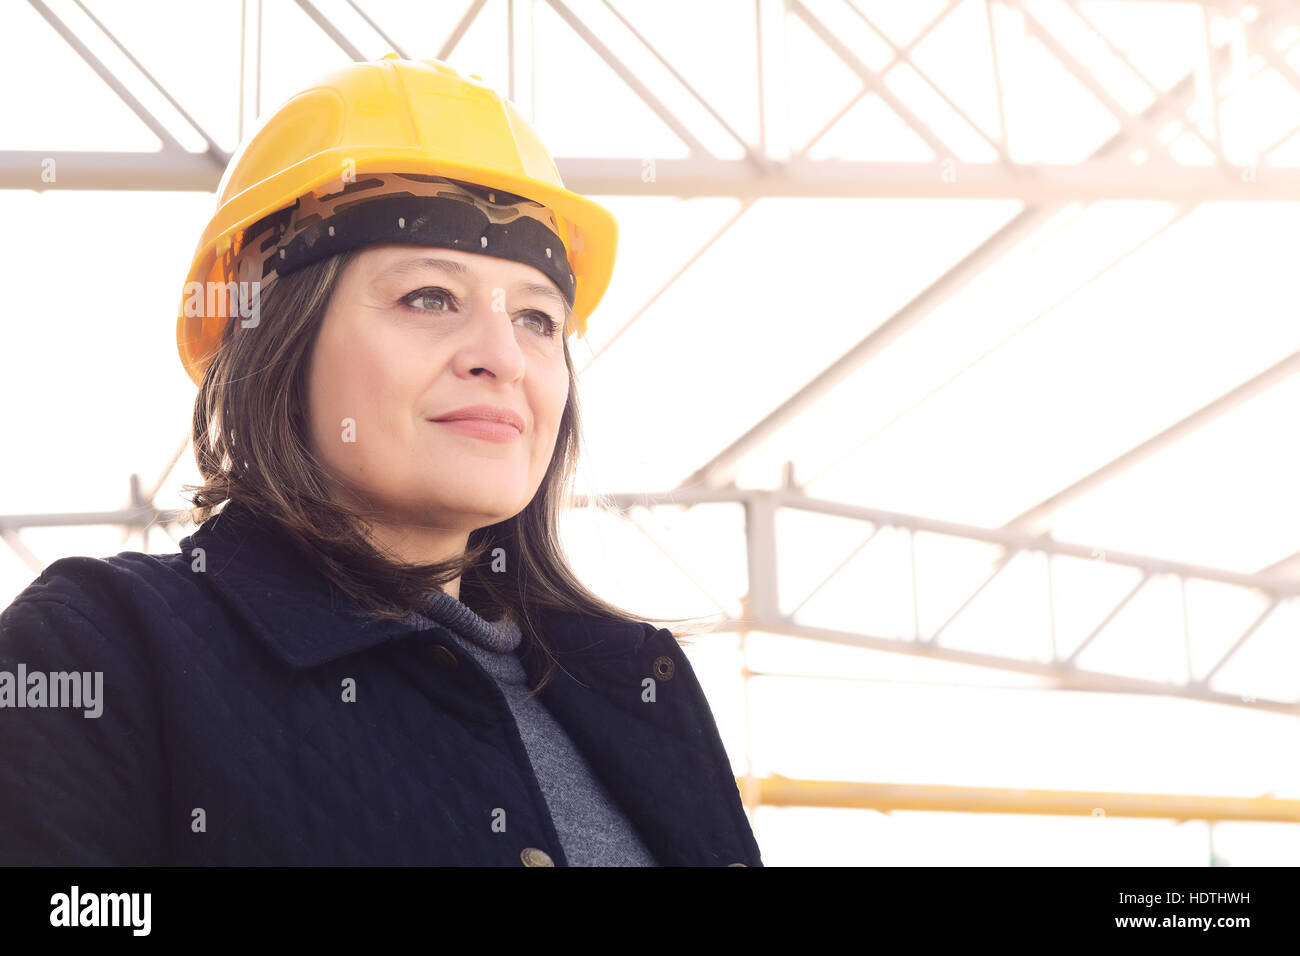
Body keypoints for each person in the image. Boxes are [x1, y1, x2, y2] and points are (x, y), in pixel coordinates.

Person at [0, 55, 763, 867]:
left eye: (539, 319)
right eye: (429, 298)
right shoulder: (103, 652)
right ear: (278, 345)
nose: (503, 356)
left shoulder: (636, 686)